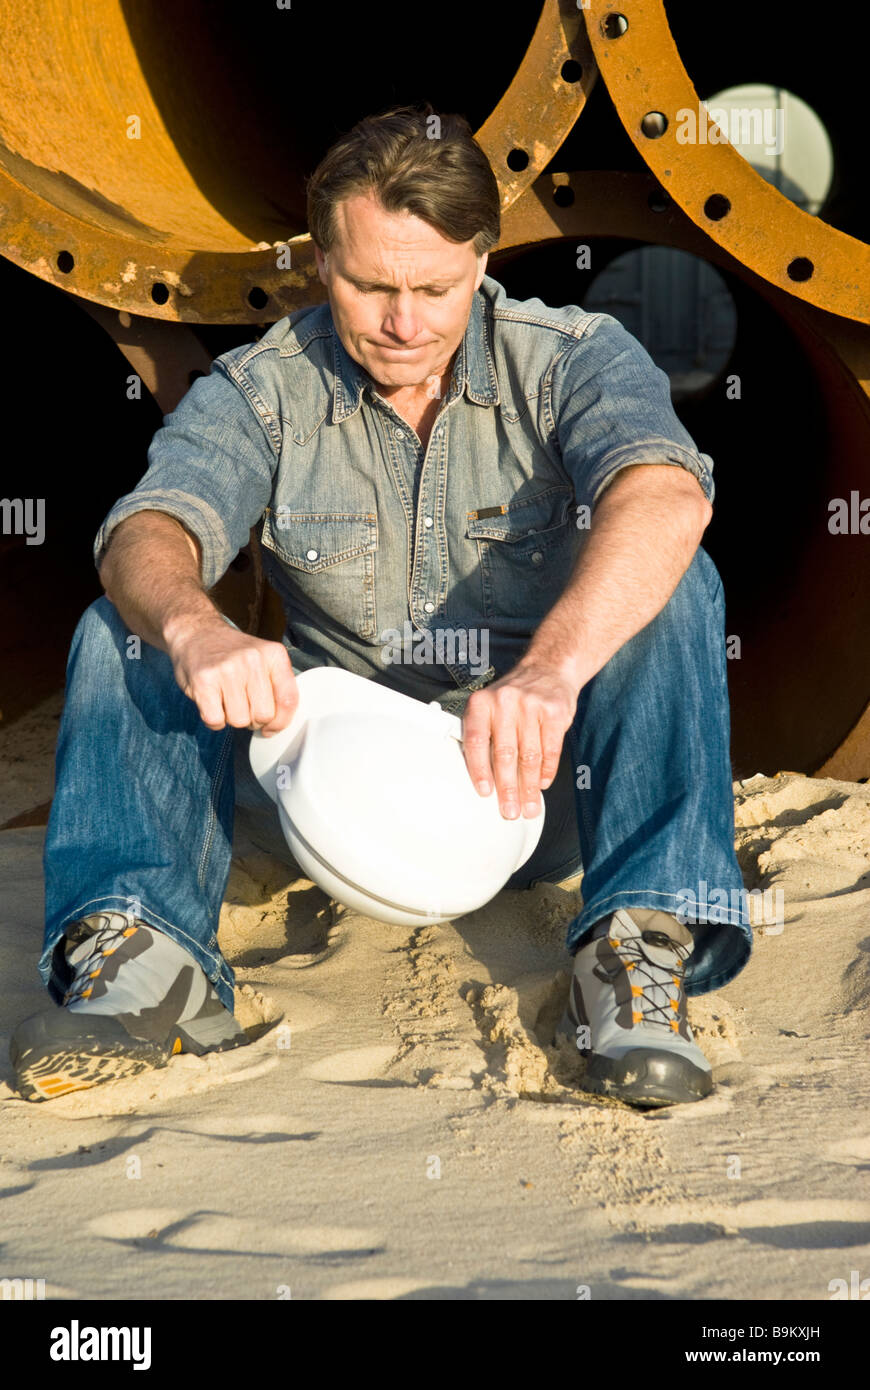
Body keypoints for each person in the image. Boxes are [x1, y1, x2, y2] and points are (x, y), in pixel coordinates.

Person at [10, 102, 751, 1108]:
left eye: (436, 287)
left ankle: (633, 956)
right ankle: (143, 963)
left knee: (676, 586)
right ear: (322, 261)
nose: (404, 320)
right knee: (128, 631)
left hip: (534, 790)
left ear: (483, 258)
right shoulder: (261, 389)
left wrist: (548, 672)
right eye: (370, 285)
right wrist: (196, 626)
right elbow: (152, 529)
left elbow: (665, 494)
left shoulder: (574, 357)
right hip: (316, 782)